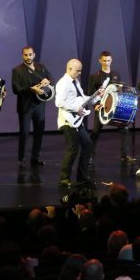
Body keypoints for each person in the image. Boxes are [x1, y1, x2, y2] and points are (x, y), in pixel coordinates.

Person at [55, 59, 104, 187]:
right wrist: (76, 109)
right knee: (73, 148)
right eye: (78, 70)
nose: (80, 73)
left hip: (77, 121)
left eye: (81, 70)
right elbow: (59, 102)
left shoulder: (75, 81)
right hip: (67, 121)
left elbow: (83, 98)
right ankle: (63, 179)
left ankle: (82, 177)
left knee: (87, 144)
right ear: (69, 69)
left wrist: (97, 96)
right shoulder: (63, 83)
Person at [11, 45, 53, 167]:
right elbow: (16, 89)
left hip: (39, 105)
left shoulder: (41, 67)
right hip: (25, 106)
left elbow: (51, 77)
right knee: (24, 133)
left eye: (30, 54)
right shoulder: (17, 70)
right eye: (26, 55)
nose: (28, 57)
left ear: (34, 55)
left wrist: (48, 81)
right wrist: (31, 89)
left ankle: (35, 157)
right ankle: (22, 159)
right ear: (22, 55)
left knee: (39, 132)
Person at [88, 51, 133, 164]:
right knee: (95, 132)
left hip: (114, 108)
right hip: (102, 108)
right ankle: (89, 156)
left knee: (125, 129)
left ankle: (125, 155)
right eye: (104, 60)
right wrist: (96, 105)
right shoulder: (95, 76)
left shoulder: (116, 74)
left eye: (108, 60)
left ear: (111, 60)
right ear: (100, 61)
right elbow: (90, 94)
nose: (106, 63)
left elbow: (119, 91)